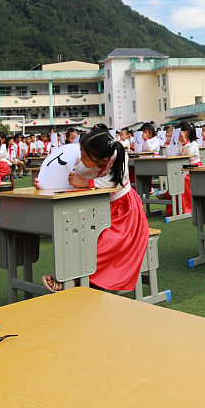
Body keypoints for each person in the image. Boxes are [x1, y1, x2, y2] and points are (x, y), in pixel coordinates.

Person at [40, 125, 147, 294]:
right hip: (92, 207)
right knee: (75, 237)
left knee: (103, 243)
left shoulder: (120, 158)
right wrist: (46, 183)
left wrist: (86, 183)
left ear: (103, 161)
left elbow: (115, 183)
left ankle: (74, 279)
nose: (80, 159)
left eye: (84, 157)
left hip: (123, 211)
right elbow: (66, 172)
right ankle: (74, 276)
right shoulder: (87, 155)